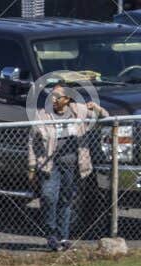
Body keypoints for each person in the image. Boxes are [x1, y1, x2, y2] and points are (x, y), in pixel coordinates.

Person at [27, 84, 102, 252]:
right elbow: (32, 141)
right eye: (51, 96)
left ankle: (63, 237)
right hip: (49, 164)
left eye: (57, 97)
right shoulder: (42, 114)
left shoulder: (78, 110)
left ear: (67, 99)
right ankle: (51, 235)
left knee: (66, 200)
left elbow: (104, 117)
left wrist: (96, 108)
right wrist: (31, 166)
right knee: (48, 196)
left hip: (72, 164)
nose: (53, 100)